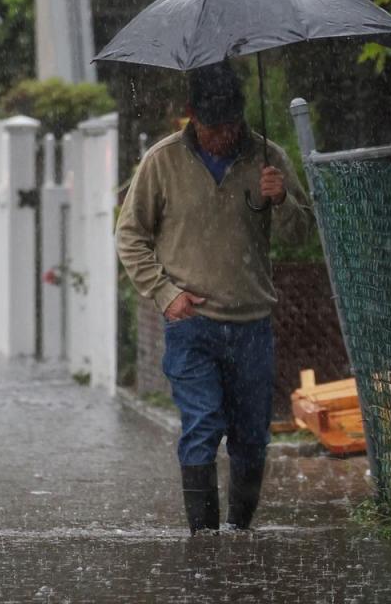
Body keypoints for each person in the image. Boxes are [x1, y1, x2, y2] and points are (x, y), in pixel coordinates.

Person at [115, 60, 314, 534]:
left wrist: (281, 199)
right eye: (210, 127)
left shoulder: (270, 159)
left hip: (251, 324)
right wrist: (164, 293)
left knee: (250, 438)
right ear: (191, 115)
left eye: (230, 126)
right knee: (201, 427)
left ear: (242, 116)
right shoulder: (161, 162)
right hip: (192, 325)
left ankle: (239, 530)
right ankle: (203, 540)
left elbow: (304, 232)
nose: (221, 137)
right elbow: (130, 235)